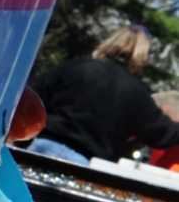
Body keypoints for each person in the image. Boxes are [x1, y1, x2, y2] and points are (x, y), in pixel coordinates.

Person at [30, 26, 179, 165]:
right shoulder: (137, 92)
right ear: (142, 55)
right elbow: (161, 133)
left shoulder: (77, 67)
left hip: (41, 147)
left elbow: (34, 98)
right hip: (81, 162)